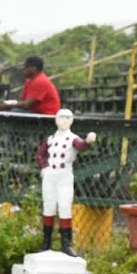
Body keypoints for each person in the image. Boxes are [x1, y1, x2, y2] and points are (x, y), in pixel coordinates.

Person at [36, 108, 97, 257]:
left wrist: (88, 142)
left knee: (64, 207)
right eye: (61, 117)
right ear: (56, 120)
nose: (64, 121)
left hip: (64, 177)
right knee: (48, 207)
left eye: (67, 118)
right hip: (50, 176)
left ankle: (66, 245)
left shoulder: (73, 139)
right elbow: (40, 153)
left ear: (72, 120)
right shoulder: (51, 138)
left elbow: (81, 146)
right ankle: (46, 243)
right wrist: (44, 167)